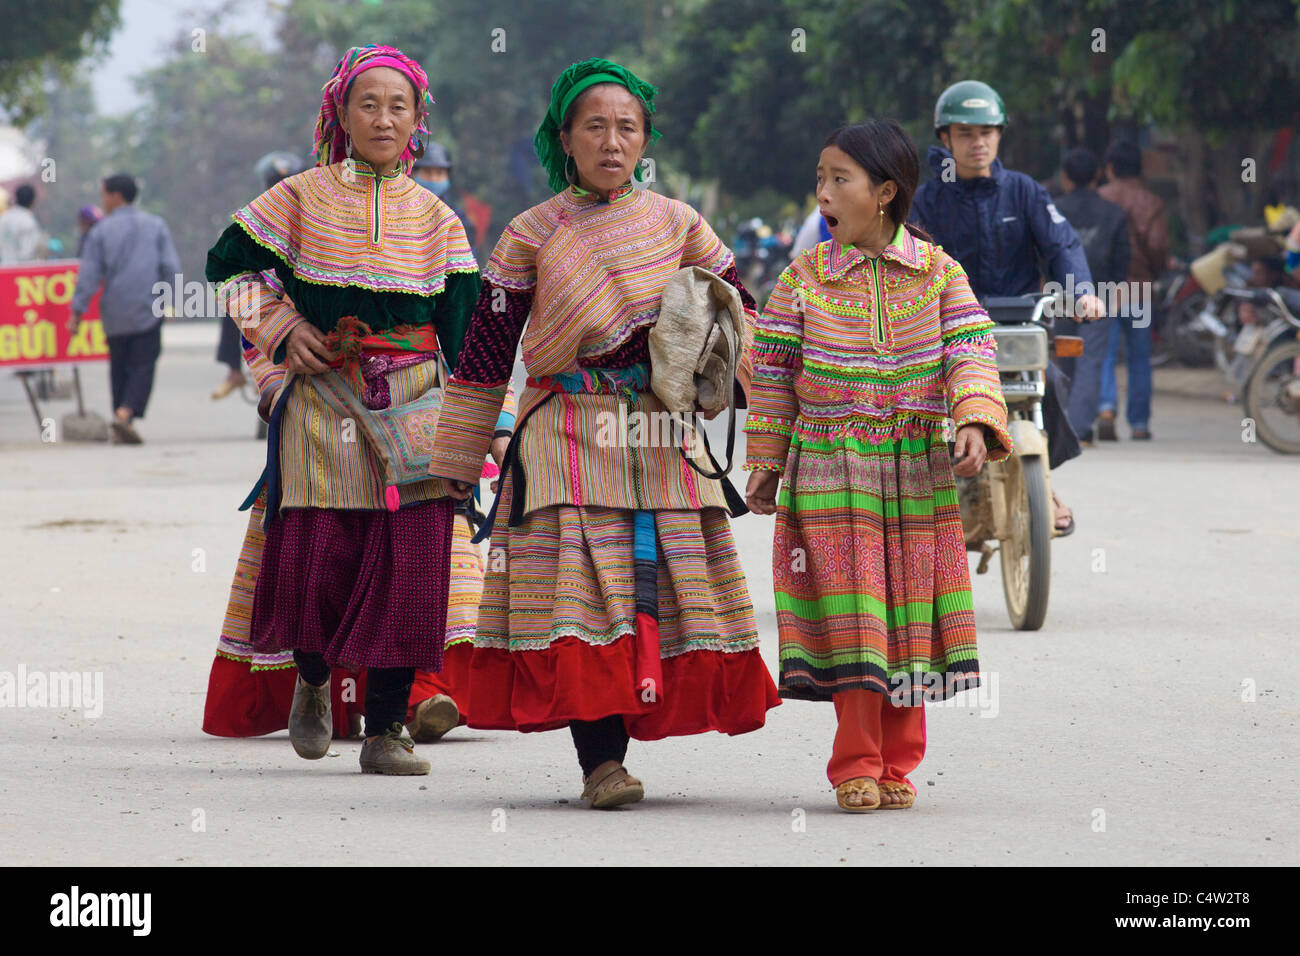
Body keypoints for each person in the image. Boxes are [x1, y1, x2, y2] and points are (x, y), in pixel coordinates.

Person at [428, 57, 780, 809]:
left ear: (645, 139)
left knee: (662, 589)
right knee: (585, 596)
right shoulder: (529, 234)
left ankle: (634, 730)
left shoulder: (680, 223)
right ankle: (601, 766)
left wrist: (742, 385)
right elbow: (486, 354)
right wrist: (460, 459)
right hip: (564, 431)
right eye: (595, 126)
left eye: (627, 127)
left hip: (659, 431)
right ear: (565, 138)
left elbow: (740, 313)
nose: (612, 141)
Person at [205, 44, 481, 774]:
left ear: (418, 120)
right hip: (323, 398)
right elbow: (225, 266)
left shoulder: (439, 221)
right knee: (315, 555)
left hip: (418, 405)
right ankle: (315, 677)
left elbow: (469, 338)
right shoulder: (297, 196)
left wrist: (485, 431)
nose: (384, 118)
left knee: (412, 565)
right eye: (369, 104)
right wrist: (284, 328)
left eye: (399, 106)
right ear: (341, 113)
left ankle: (388, 730)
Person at [744, 121, 1010, 812]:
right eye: (820, 179)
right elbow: (772, 372)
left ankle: (899, 763)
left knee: (909, 623)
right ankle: (856, 762)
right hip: (832, 474)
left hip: (916, 471)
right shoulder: (804, 277)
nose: (823, 194)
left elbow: (971, 348)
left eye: (840, 180)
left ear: (885, 193)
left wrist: (976, 416)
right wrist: (766, 463)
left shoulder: (939, 272)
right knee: (855, 618)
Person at [910, 80, 1104, 535]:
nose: (977, 143)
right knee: (924, 406)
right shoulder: (929, 198)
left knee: (1051, 383)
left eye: (987, 133)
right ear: (946, 139)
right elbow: (912, 258)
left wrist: (1082, 292)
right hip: (949, 336)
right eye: (965, 133)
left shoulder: (1026, 192)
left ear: (999, 136)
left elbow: (1063, 246)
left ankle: (1043, 482)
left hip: (1018, 330)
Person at [70, 174, 182, 444]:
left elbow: (89, 275)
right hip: (148, 308)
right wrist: (172, 302)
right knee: (143, 364)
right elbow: (170, 266)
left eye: (104, 195)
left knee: (118, 366)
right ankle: (125, 412)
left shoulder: (100, 232)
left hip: (115, 311)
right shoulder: (156, 226)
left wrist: (77, 311)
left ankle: (122, 417)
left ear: (116, 196)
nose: (102, 201)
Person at [211, 153, 306, 402]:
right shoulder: (255, 210)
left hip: (300, 287)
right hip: (265, 287)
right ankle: (234, 371)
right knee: (234, 303)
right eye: (275, 182)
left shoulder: (313, 208)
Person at [1054, 147, 1130, 442]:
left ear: (1065, 176)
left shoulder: (1055, 210)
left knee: (1066, 356)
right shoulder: (1113, 213)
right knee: (1091, 359)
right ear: (1097, 175)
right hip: (1102, 293)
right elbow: (1122, 258)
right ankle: (1078, 429)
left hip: (1060, 293)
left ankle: (1065, 424)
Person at [1097, 140, 1168, 441]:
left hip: (1105, 291)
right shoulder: (1151, 202)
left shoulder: (1099, 198)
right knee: (1139, 357)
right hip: (1139, 293)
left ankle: (1105, 407)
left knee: (1106, 354)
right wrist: (1155, 271)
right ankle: (1139, 424)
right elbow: (1157, 246)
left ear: (1110, 168)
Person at [411, 142, 478, 249]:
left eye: (439, 173)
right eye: (427, 172)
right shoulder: (401, 212)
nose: (433, 179)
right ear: (413, 174)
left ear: (448, 177)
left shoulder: (459, 219)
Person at [0, 183, 45, 264]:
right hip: (21, 273)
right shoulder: (28, 222)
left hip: (4, 270)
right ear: (33, 201)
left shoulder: (4, 218)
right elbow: (27, 254)